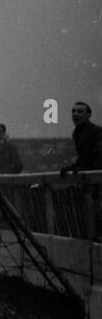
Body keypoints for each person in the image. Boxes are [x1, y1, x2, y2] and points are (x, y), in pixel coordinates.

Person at [61, 101, 102, 240]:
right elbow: (83, 157)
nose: (75, 114)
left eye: (79, 111)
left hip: (96, 176)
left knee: (96, 206)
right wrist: (71, 167)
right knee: (92, 207)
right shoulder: (76, 133)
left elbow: (98, 156)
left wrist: (84, 168)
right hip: (90, 175)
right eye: (73, 111)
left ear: (88, 115)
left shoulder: (96, 131)